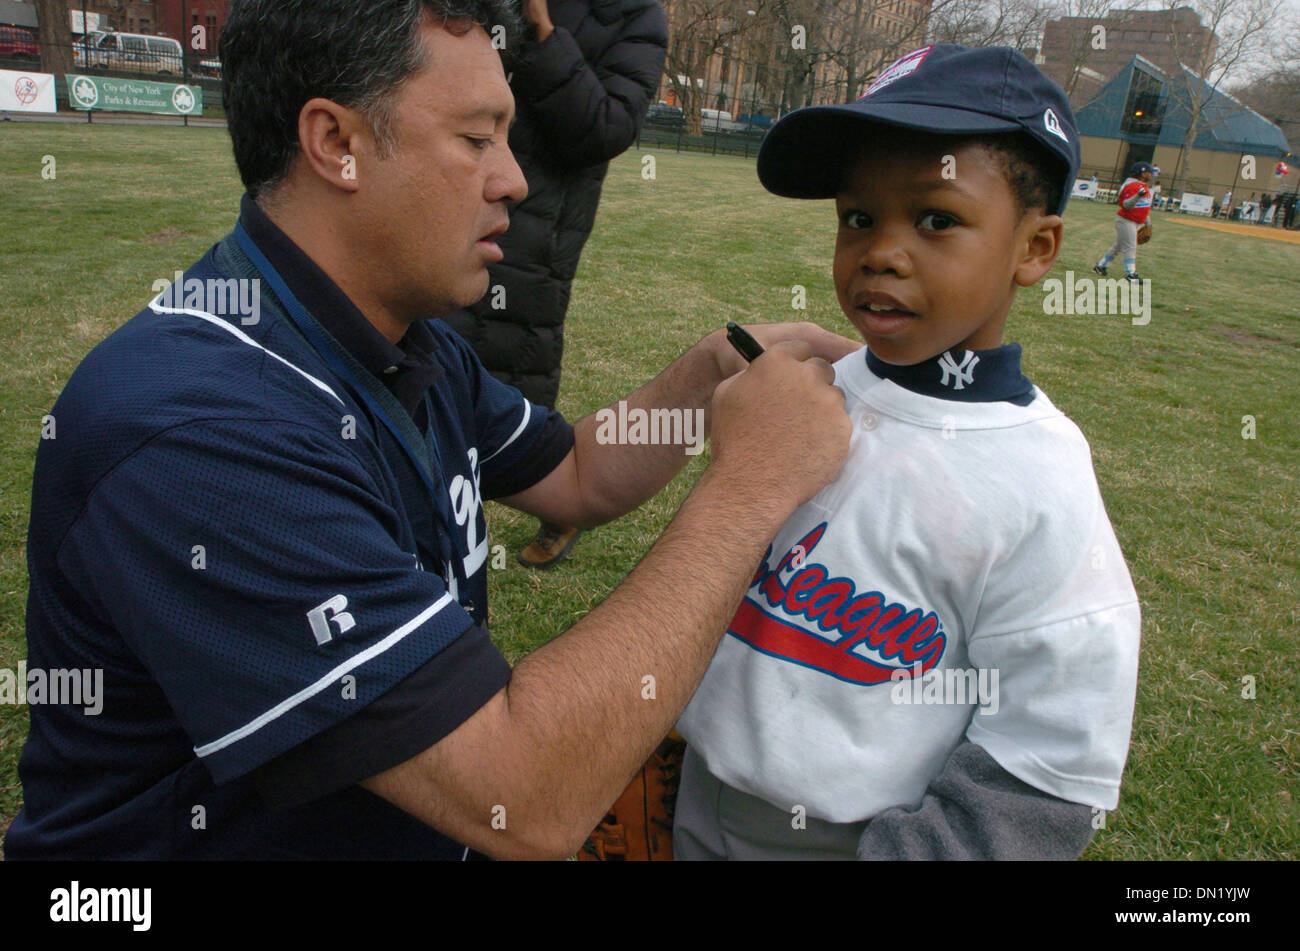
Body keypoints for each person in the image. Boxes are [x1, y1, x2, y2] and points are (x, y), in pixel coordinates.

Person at [4, 0, 856, 860]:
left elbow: (577, 471)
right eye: (478, 137)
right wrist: (752, 486)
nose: (516, 179)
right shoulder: (200, 433)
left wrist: (712, 371)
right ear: (337, 142)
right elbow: (523, 794)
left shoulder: (398, 336)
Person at [671, 45, 1141, 860]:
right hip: (692, 796)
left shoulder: (1042, 480)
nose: (881, 250)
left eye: (936, 218)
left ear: (1035, 249)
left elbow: (1050, 763)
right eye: (859, 216)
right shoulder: (800, 397)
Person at [443, 0, 667, 569]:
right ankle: (423, 491)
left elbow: (606, 127)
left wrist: (543, 33)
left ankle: (560, 504)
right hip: (455, 181)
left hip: (540, 218)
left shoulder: (636, 16)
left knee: (513, 361)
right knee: (428, 339)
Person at [1094, 161, 1156, 282]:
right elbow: (1126, 205)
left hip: (1134, 222)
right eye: (1149, 172)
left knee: (1118, 246)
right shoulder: (1132, 186)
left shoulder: (1142, 186)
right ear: (1142, 173)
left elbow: (1144, 207)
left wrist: (1148, 222)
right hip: (1126, 221)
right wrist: (1138, 195)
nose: (1151, 175)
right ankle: (1131, 274)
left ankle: (1100, 266)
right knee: (1130, 247)